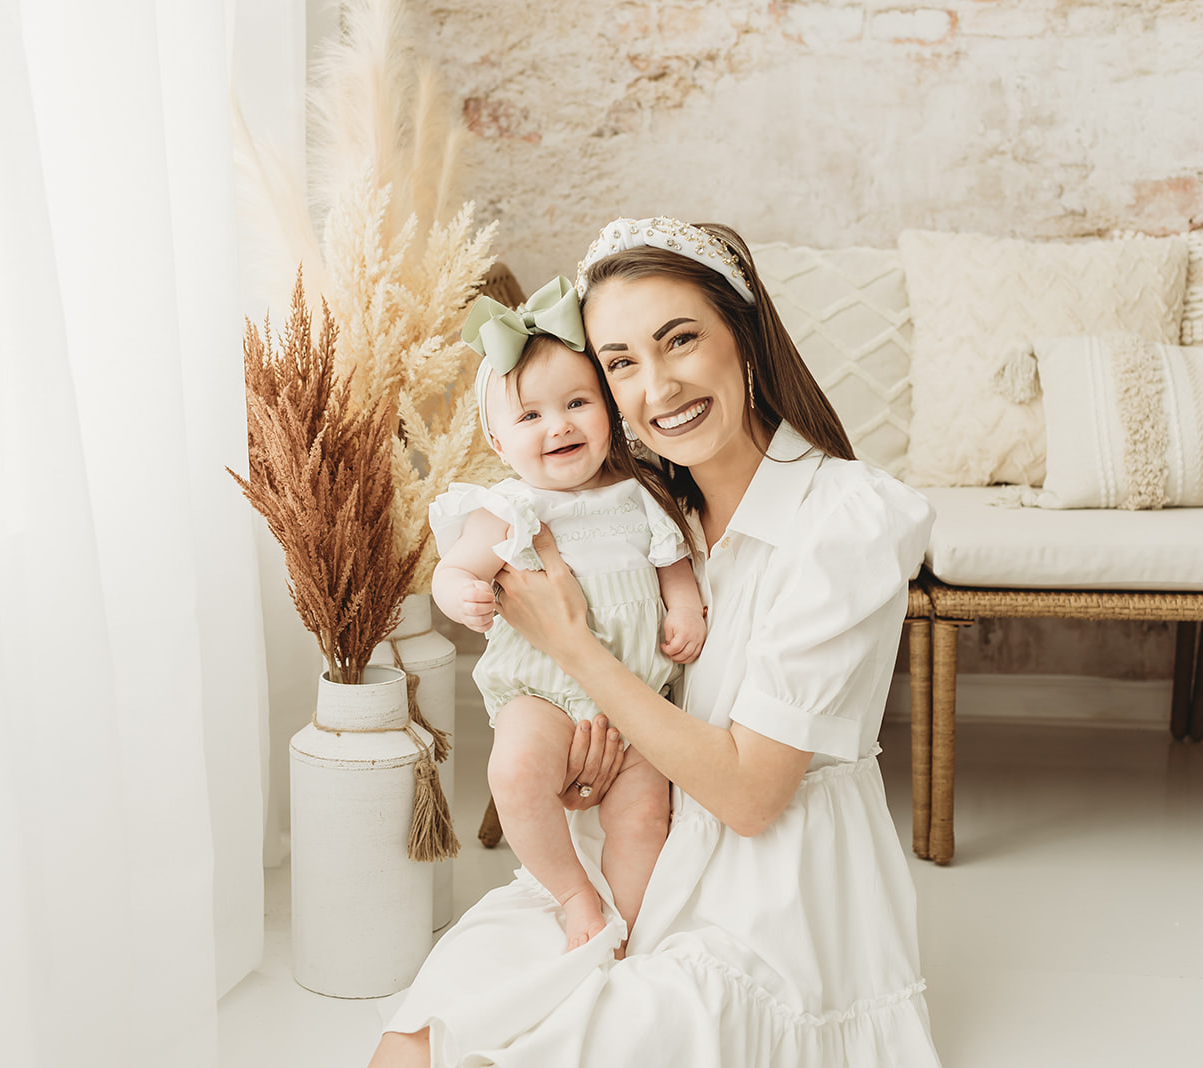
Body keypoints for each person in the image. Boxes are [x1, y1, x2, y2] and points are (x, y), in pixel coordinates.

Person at [372, 217, 941, 1067]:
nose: (658, 387)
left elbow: (750, 796)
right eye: (620, 364)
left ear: (743, 337)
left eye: (680, 340)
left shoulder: (845, 521)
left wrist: (578, 654)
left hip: (768, 893)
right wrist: (580, 762)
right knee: (419, 1038)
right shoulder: (640, 507)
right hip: (634, 842)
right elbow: (629, 710)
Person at [429, 275, 707, 953]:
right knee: (514, 774)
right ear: (499, 445)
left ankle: (635, 930)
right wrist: (457, 591)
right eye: (530, 417)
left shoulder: (639, 494)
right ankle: (574, 893)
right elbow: (455, 568)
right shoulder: (510, 507)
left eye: (577, 403)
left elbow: (673, 562)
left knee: (643, 816)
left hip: (637, 698)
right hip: (540, 692)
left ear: (608, 413)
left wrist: (684, 607)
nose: (558, 425)